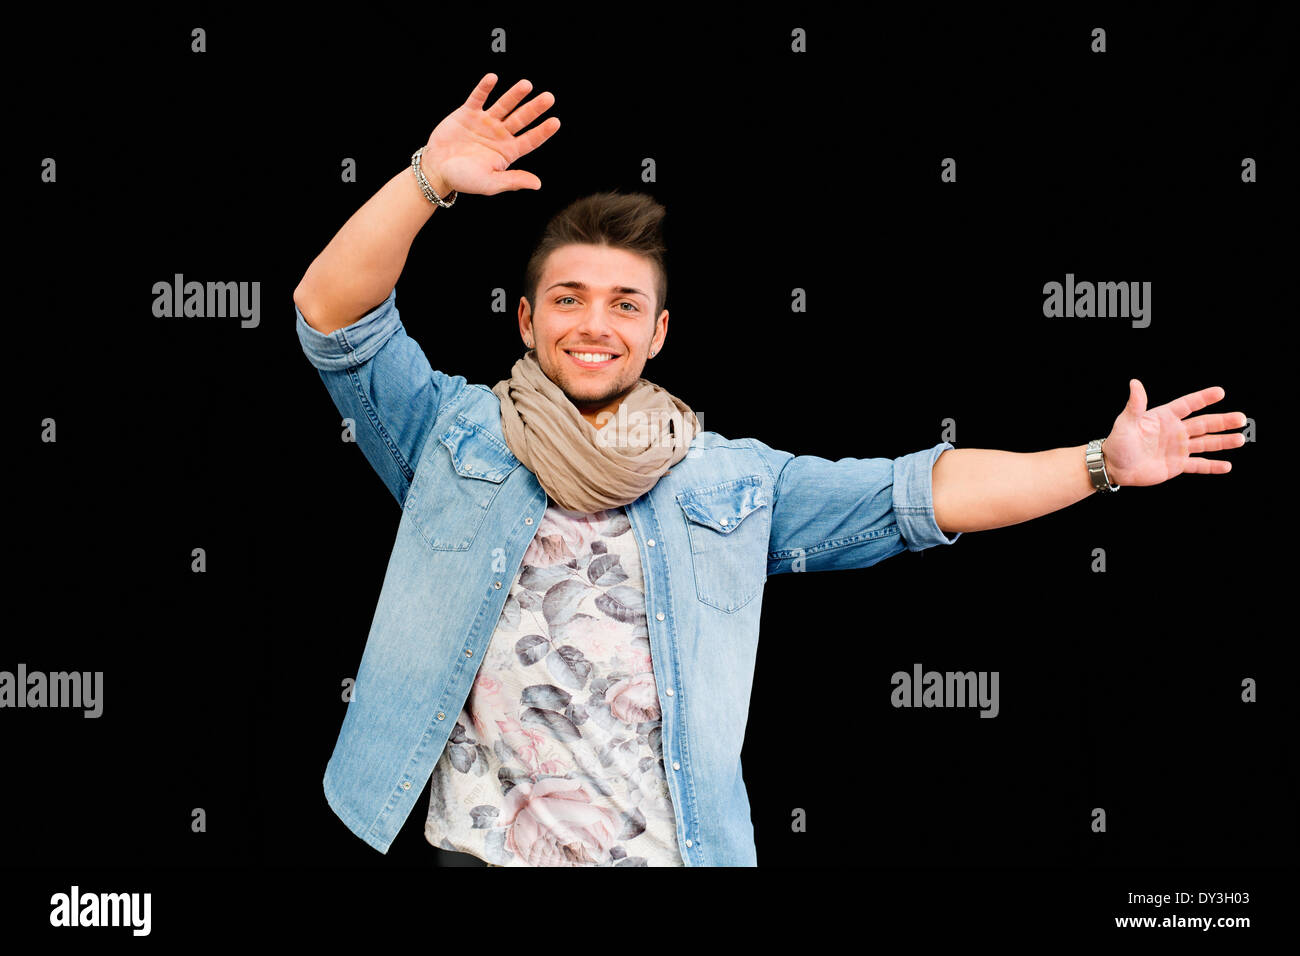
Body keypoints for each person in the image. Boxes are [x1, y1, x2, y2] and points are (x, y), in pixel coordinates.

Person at [292, 73, 1247, 867]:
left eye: (625, 304)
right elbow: (332, 315)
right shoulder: (455, 434)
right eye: (569, 299)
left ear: (658, 333)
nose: (595, 324)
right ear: (527, 321)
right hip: (482, 853)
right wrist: (428, 179)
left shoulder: (730, 483)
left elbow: (918, 494)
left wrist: (1099, 463)